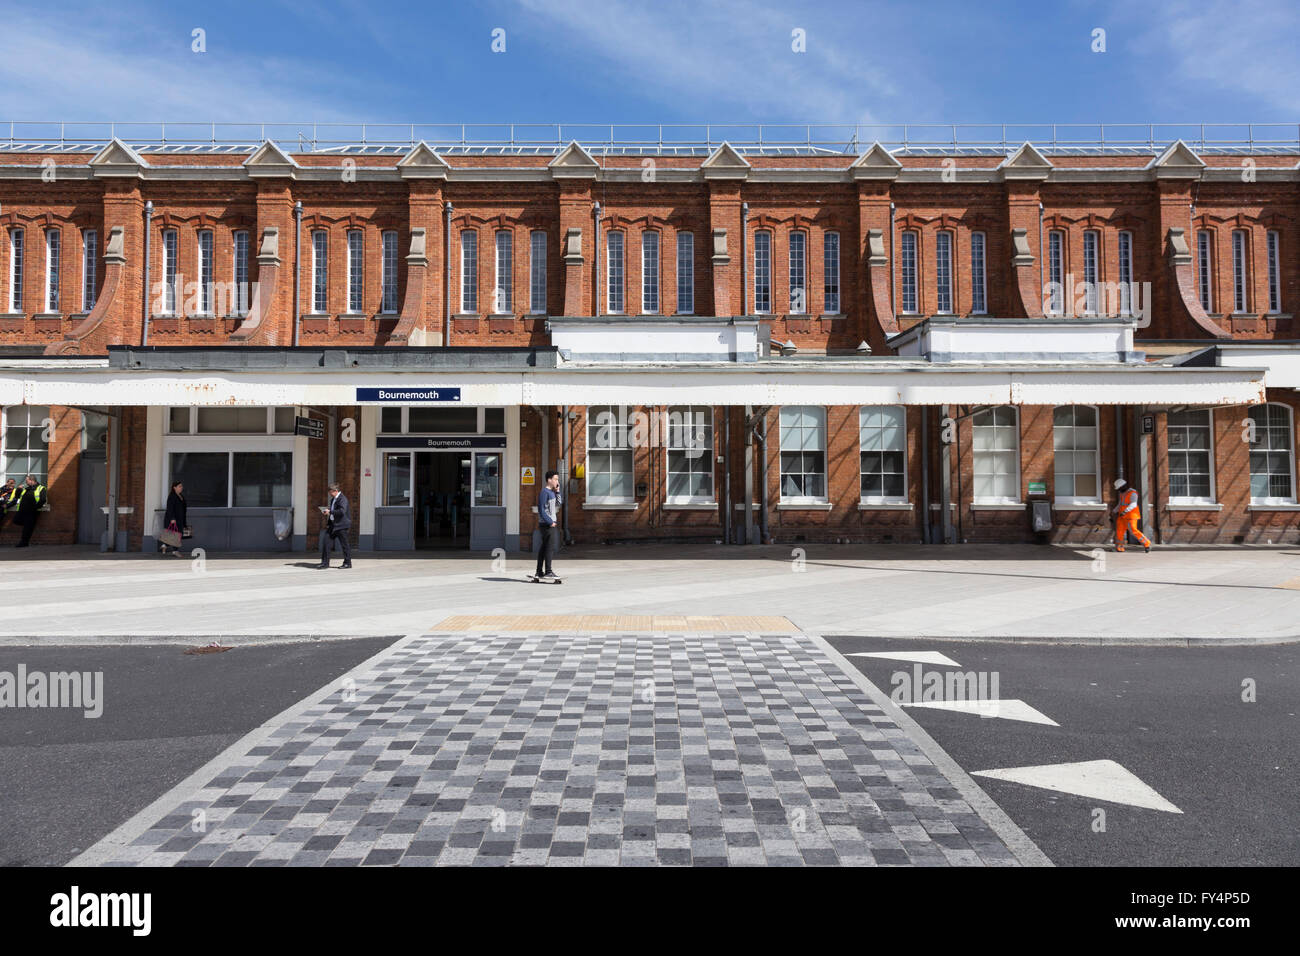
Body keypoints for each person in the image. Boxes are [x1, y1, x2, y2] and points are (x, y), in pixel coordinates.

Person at [317, 481, 352, 569]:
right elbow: (334, 510)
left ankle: (347, 563)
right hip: (333, 525)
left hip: (342, 525)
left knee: (344, 545)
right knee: (326, 543)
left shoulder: (342, 498)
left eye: (330, 492)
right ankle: (325, 563)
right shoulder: (333, 499)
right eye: (329, 492)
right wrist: (328, 510)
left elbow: (342, 511)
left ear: (335, 490)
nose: (329, 493)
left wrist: (330, 511)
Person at [534, 469, 561, 580]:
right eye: (555, 479)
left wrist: (558, 491)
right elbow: (541, 510)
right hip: (547, 525)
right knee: (549, 548)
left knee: (544, 548)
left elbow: (559, 503)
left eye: (557, 479)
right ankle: (548, 571)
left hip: (549, 524)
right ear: (549, 480)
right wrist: (550, 522)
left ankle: (539, 572)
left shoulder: (552, 492)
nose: (557, 481)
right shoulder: (544, 492)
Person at [1112, 477, 1151, 553]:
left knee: (1133, 531)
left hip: (1131, 516)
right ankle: (1119, 547)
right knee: (1119, 531)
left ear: (1123, 486)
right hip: (1122, 516)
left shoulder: (1133, 493)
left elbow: (1134, 504)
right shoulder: (1122, 493)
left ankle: (1147, 544)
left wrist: (1125, 511)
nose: (1118, 490)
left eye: (1119, 488)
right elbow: (1120, 504)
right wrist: (1114, 511)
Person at [13, 475, 47, 548]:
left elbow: (43, 500)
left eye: (27, 480)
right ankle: (26, 533)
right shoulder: (26, 489)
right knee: (15, 520)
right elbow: (17, 496)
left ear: (32, 480)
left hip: (32, 512)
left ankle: (24, 542)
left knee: (27, 528)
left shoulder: (41, 488)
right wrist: (18, 489)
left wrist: (35, 508)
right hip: (22, 511)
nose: (26, 482)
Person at [161, 480, 187, 556]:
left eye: (181, 486)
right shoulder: (172, 496)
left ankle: (164, 545)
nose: (181, 487)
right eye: (179, 486)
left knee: (175, 535)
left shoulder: (181, 496)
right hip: (174, 519)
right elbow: (169, 508)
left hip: (180, 518)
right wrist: (172, 518)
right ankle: (175, 551)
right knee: (177, 535)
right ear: (174, 487)